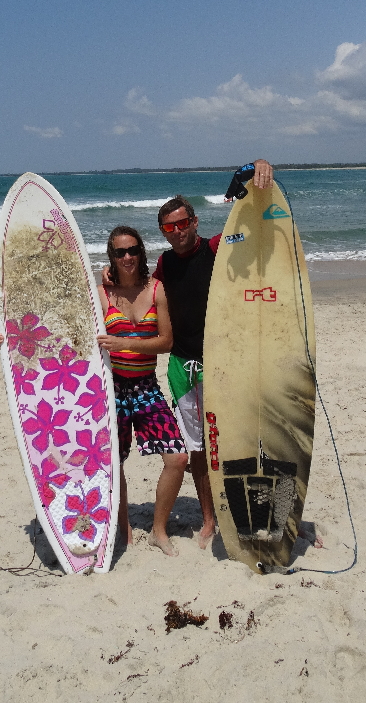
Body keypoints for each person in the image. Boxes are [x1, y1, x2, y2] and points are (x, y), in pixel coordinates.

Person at [152, 159, 274, 548]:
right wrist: (108, 276)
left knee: (238, 438)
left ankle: (246, 511)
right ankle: (208, 520)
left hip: (224, 364)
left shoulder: (218, 248)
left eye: (183, 222)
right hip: (182, 368)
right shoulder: (164, 263)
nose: (179, 231)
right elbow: (140, 292)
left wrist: (255, 168)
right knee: (198, 450)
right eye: (170, 227)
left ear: (196, 222)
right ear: (164, 233)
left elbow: (255, 225)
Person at [95, 227, 188, 557]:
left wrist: (124, 342)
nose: (127, 257)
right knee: (113, 461)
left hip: (146, 387)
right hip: (113, 389)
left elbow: (166, 342)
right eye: (120, 252)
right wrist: (6, 337)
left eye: (132, 250)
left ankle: (158, 530)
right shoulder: (102, 294)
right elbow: (64, 328)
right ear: (112, 256)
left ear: (141, 251)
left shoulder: (156, 289)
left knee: (177, 458)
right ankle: (125, 528)